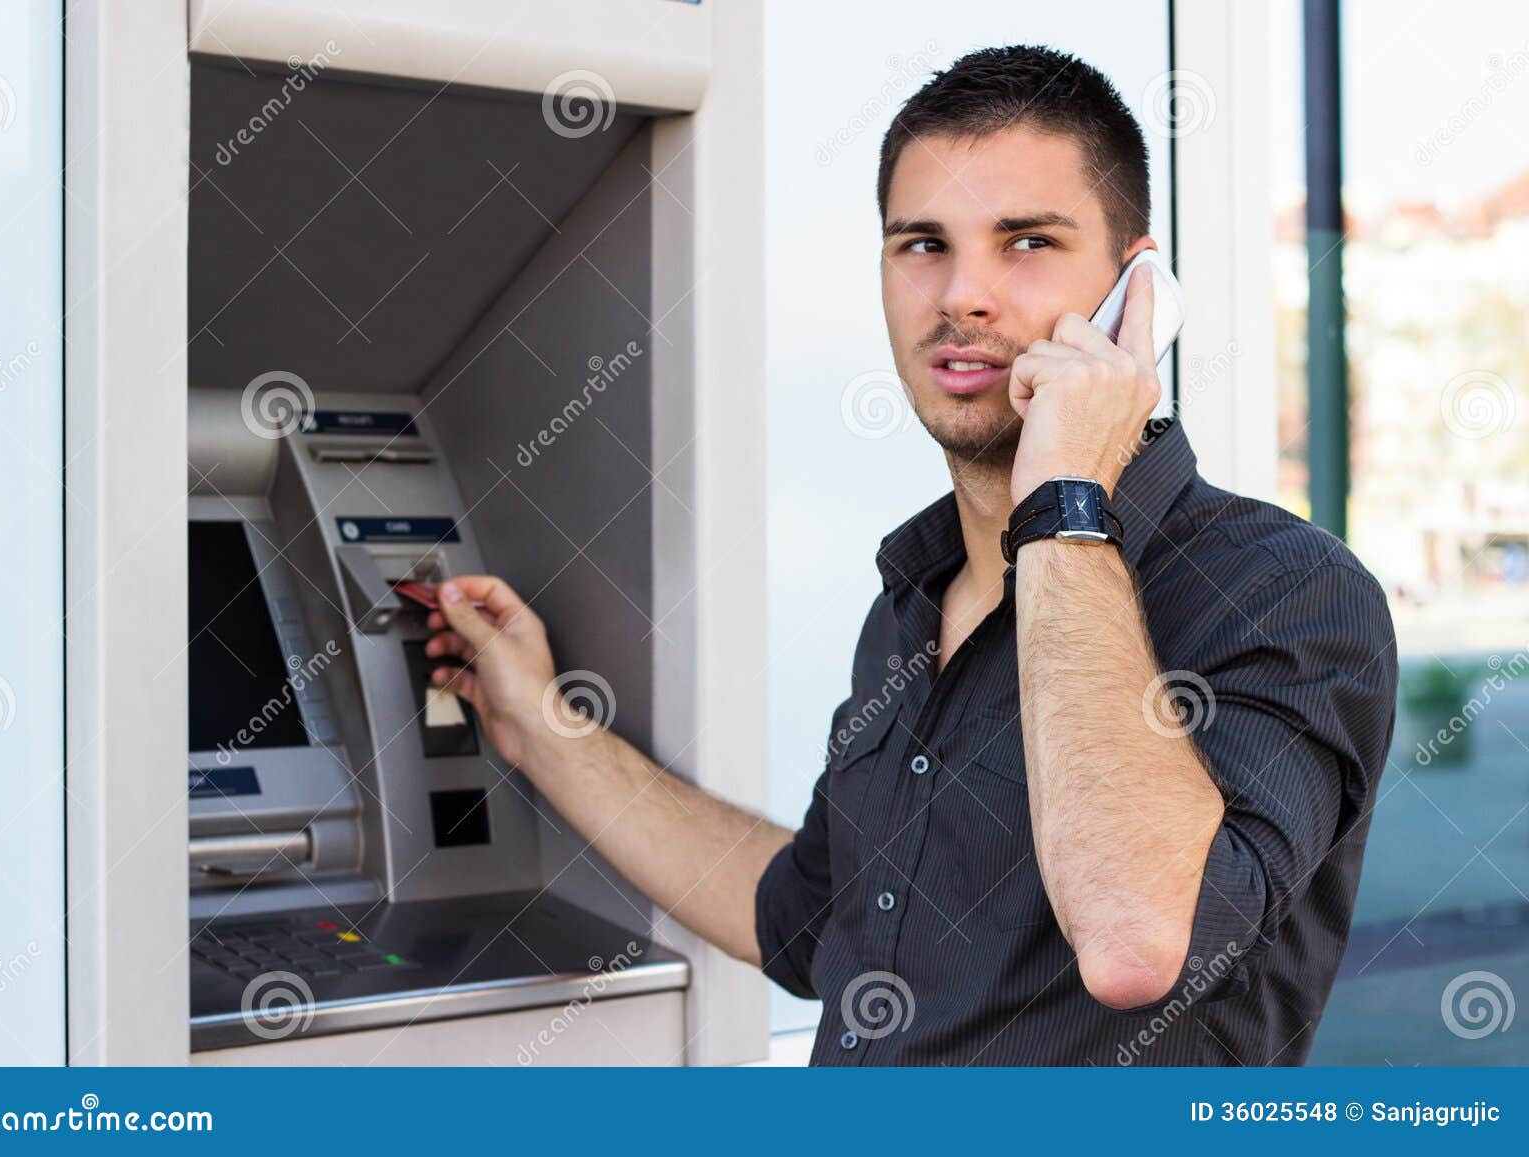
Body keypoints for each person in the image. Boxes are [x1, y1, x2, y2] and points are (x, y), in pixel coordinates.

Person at [422, 44, 1398, 1065]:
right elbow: (805, 917)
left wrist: (1066, 498)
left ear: (1133, 288)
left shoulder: (1284, 594)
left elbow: (1138, 940)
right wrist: (537, 723)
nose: (963, 294)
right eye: (921, 243)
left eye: (1026, 240)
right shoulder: (917, 599)